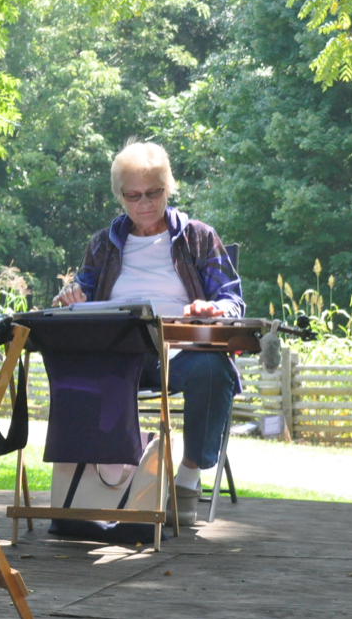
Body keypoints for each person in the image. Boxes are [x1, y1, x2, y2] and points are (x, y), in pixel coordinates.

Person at [52, 140, 244, 526]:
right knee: (79, 367)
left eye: (153, 192)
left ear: (168, 188)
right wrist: (68, 295)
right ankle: (102, 485)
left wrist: (212, 309)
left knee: (214, 369)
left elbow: (233, 301)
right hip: (121, 354)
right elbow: (77, 299)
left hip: (181, 354)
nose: (145, 203)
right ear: (120, 197)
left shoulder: (198, 237)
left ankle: (187, 480)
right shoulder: (103, 244)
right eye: (133, 195)